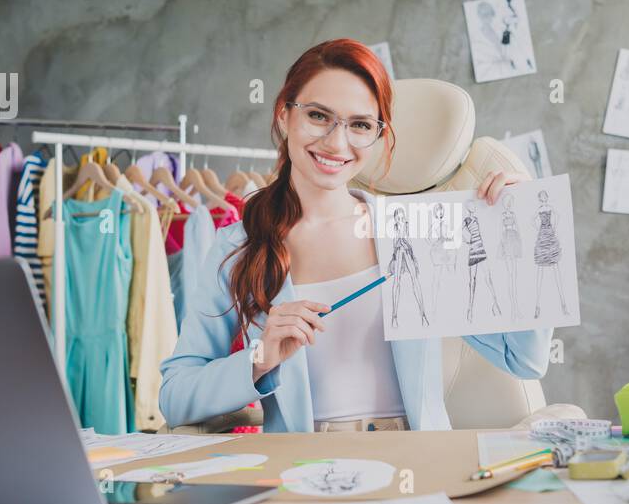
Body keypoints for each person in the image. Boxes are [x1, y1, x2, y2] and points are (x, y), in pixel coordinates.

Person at [159, 38, 552, 432]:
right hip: (298, 475)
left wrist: (524, 234)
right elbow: (175, 399)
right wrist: (260, 356)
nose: (336, 142)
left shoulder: (416, 234)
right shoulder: (238, 245)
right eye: (318, 116)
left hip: (417, 467)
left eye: (360, 125)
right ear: (284, 115)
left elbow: (525, 359)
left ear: (379, 136)